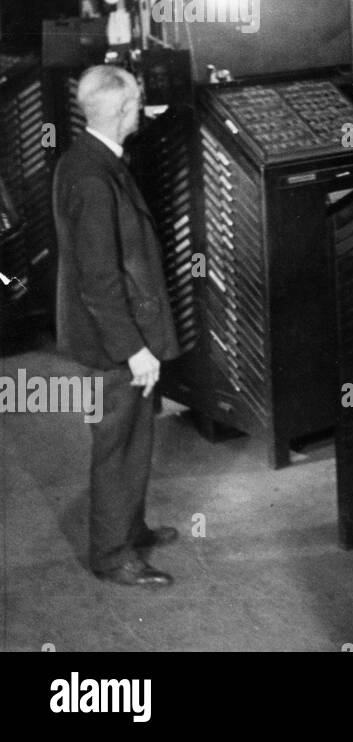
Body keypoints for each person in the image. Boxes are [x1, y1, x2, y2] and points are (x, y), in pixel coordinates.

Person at [52, 66, 181, 589]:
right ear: (125, 110)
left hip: (112, 334)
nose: (142, 110)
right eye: (138, 102)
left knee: (134, 435)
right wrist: (134, 349)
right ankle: (112, 555)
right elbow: (100, 280)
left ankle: (129, 528)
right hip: (110, 343)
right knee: (117, 444)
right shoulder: (93, 178)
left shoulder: (88, 158)